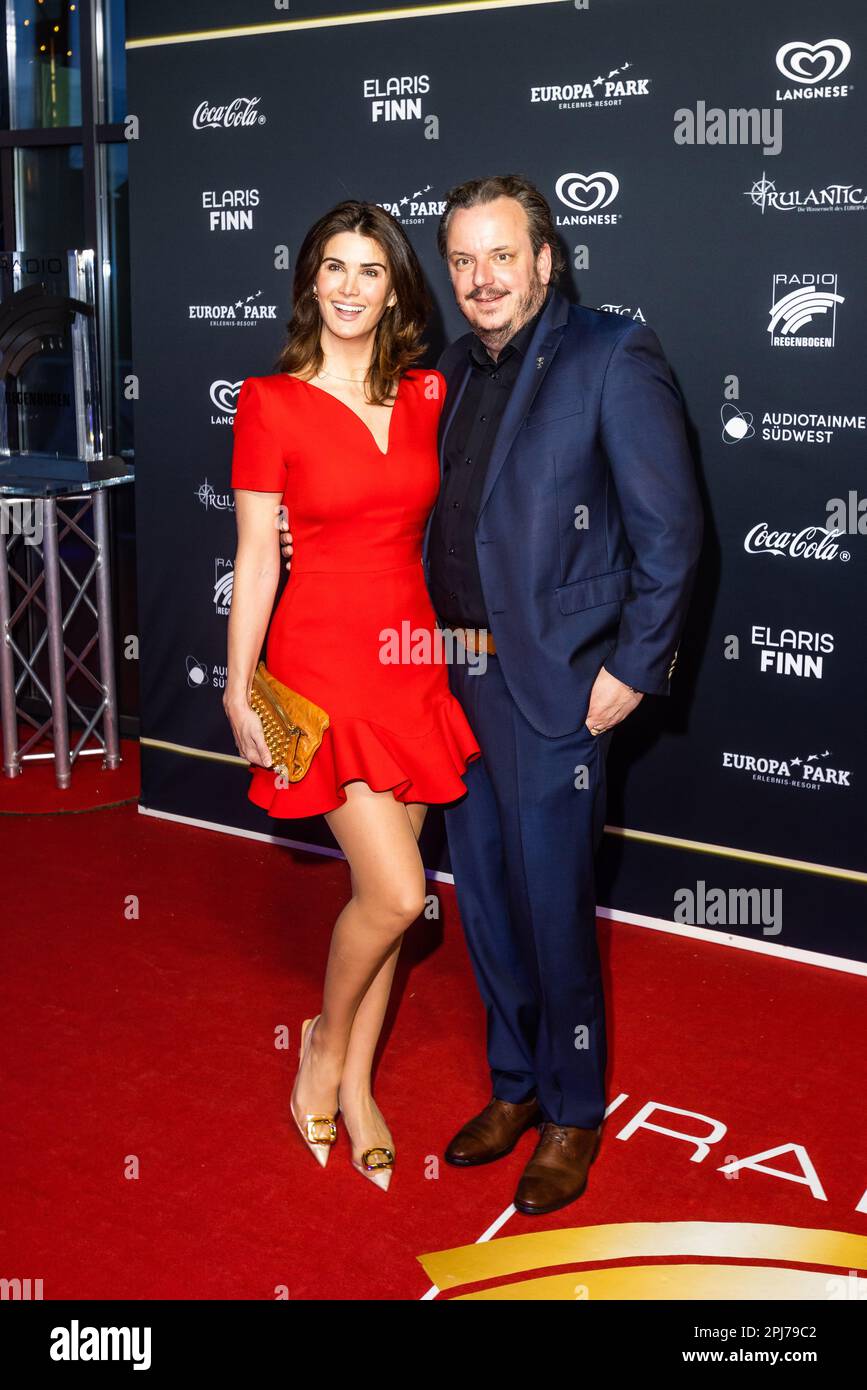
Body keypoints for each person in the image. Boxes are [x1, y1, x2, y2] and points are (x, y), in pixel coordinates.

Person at [280, 173, 704, 1216]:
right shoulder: (446, 374)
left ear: (545, 259)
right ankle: (514, 1084)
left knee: (556, 907)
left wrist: (633, 667)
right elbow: (388, 498)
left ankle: (570, 1111)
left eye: (500, 255)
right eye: (462, 260)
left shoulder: (611, 353)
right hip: (445, 676)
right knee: (486, 908)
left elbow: (672, 530)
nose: (481, 279)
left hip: (556, 685)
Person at [224, 200, 481, 1192]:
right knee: (401, 893)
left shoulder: (426, 392)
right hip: (318, 670)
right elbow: (254, 557)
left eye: (369, 270)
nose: (347, 286)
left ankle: (359, 1083)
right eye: (332, 266)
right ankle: (324, 1048)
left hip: (409, 661)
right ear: (308, 279)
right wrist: (241, 686)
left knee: (390, 899)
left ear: (395, 289)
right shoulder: (268, 401)